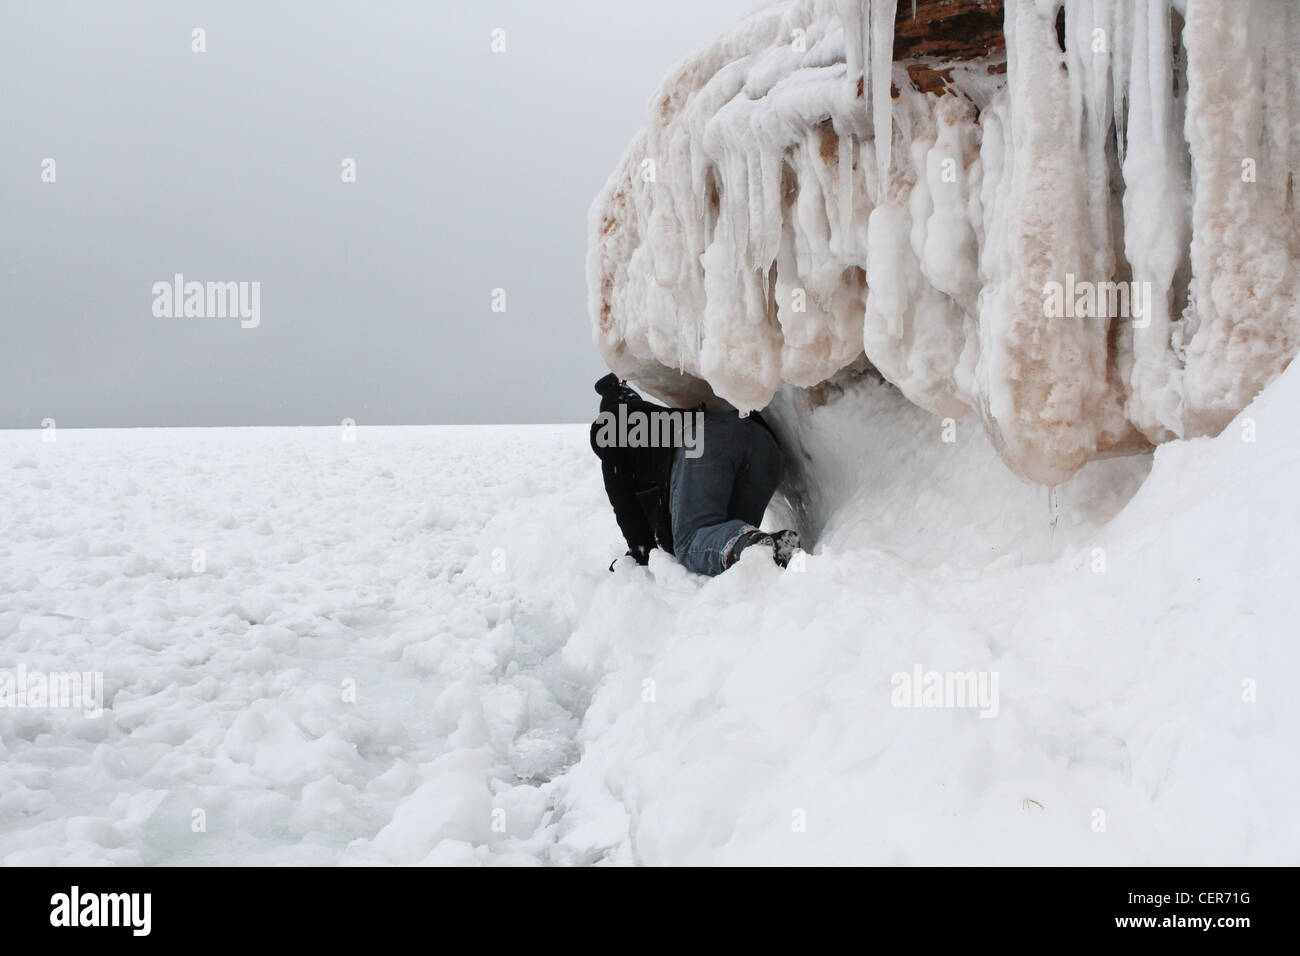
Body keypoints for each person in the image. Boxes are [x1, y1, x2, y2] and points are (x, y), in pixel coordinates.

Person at [590, 372, 799, 575]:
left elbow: (625, 504)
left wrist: (641, 552)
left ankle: (765, 548)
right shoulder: (655, 421)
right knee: (724, 544)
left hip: (706, 443)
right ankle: (774, 553)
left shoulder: (613, 429)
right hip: (765, 446)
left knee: (691, 544)